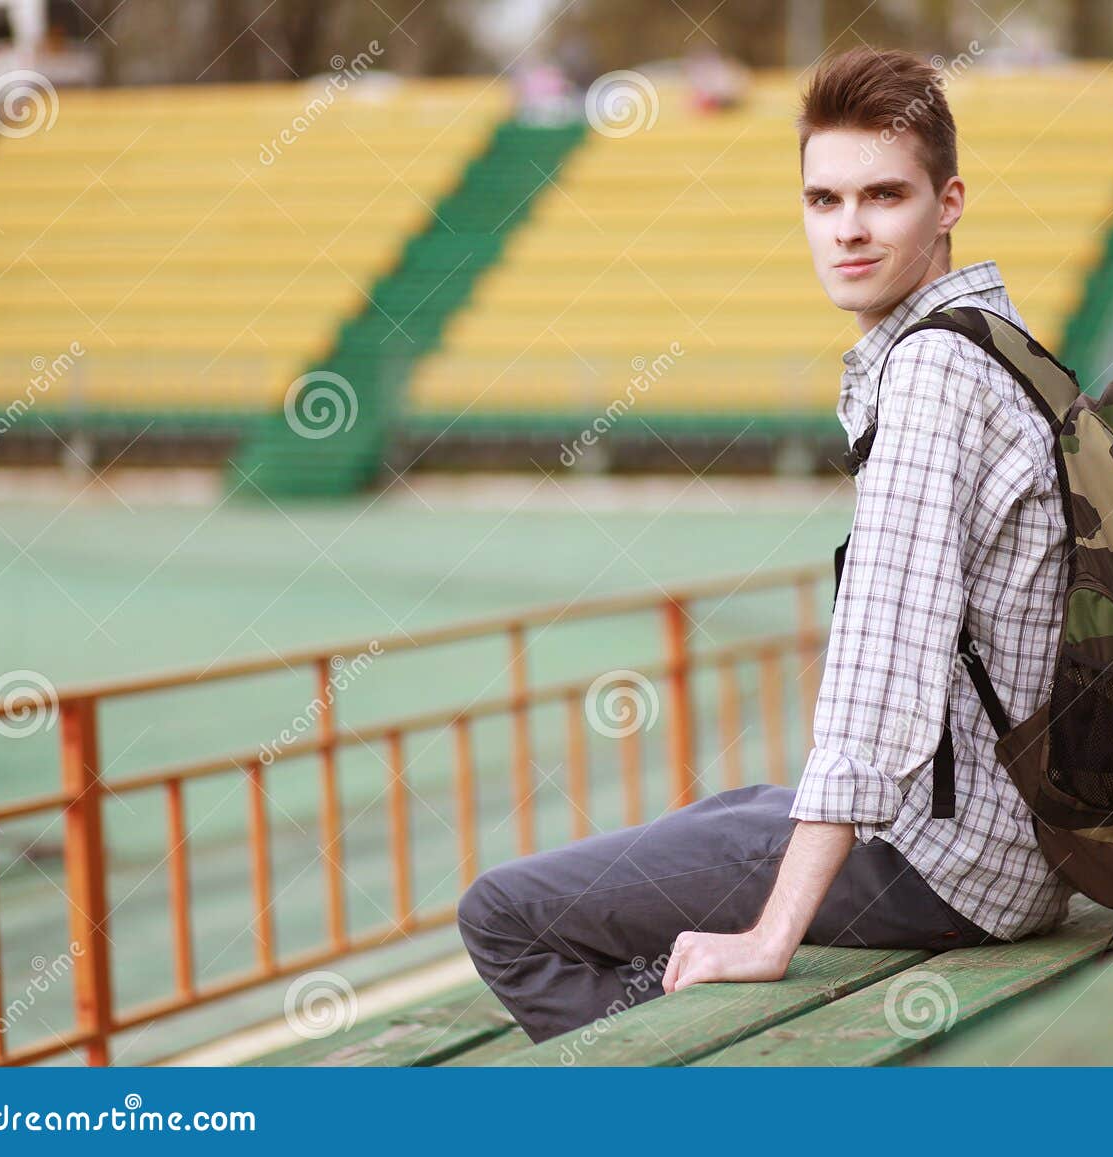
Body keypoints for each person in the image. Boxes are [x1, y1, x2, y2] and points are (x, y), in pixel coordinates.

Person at [457, 46, 1074, 1046]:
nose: (851, 229)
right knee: (727, 811)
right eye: (823, 200)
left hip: (960, 864)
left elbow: (881, 679)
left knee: (503, 911)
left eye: (884, 195)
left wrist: (771, 933)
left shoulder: (929, 383)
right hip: (1012, 829)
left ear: (947, 200)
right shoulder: (993, 336)